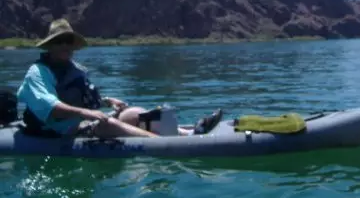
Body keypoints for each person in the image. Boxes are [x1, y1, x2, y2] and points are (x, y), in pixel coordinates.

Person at [17, 19, 222, 139]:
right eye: (59, 42)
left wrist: (108, 101)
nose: (65, 46)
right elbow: (51, 107)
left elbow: (85, 96)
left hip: (80, 122)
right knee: (108, 125)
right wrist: (87, 113)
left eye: (68, 41)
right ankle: (164, 144)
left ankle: (189, 134)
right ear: (50, 46)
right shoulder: (37, 73)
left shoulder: (75, 69)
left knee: (135, 113)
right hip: (55, 132)